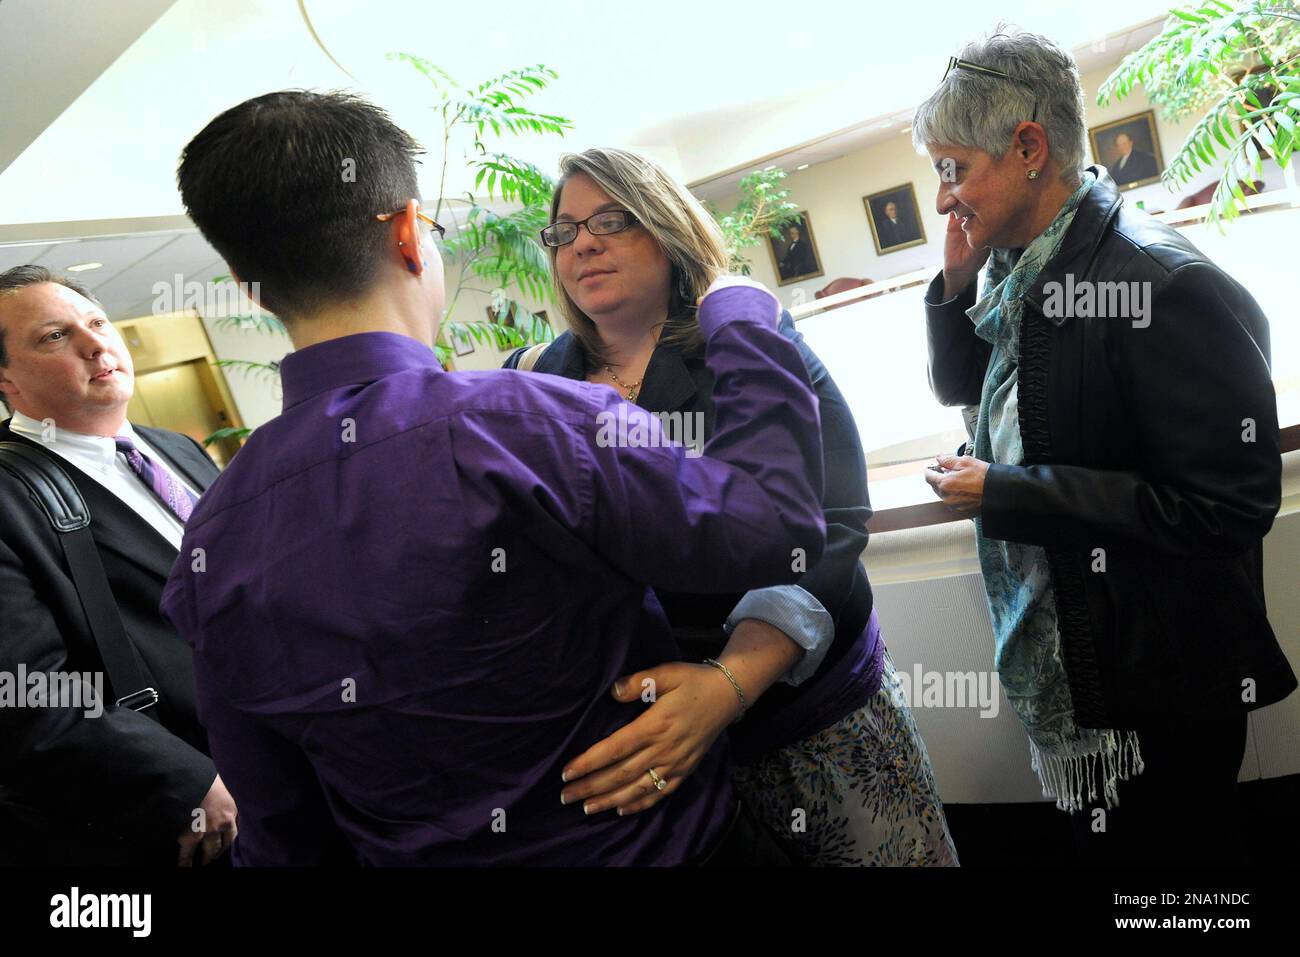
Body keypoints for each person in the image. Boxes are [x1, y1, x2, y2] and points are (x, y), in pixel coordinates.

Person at [162, 91, 827, 866]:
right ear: (410, 236)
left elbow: (283, 836)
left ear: (250, 287)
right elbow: (776, 531)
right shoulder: (531, 422)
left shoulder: (210, 546)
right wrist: (744, 316)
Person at [505, 147, 958, 866]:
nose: (582, 242)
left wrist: (728, 685)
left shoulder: (746, 337)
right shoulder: (535, 380)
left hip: (804, 715)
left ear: (668, 226)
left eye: (612, 221)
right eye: (563, 231)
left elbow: (832, 524)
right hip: (658, 746)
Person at [914, 26, 1295, 867]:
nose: (942, 198)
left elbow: (1226, 506)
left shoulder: (1154, 281)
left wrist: (1009, 490)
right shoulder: (1031, 266)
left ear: (1027, 148)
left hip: (1161, 686)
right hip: (1104, 668)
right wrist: (952, 285)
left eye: (952, 169)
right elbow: (967, 390)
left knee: (1181, 885)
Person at [0, 265, 235, 866]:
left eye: (97, 322)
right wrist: (180, 781)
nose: (95, 343)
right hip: (195, 806)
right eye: (54, 337)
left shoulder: (174, 448)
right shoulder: (9, 496)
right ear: (5, 378)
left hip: (291, 754)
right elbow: (26, 689)